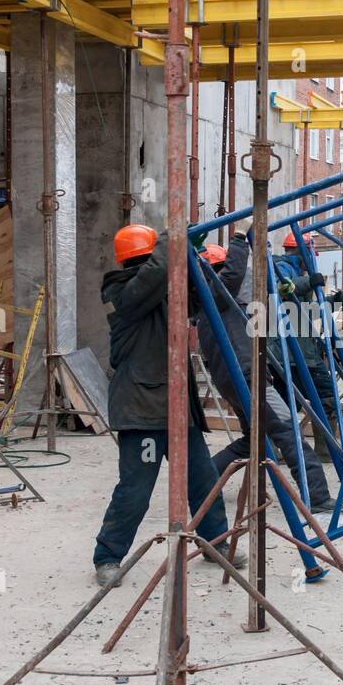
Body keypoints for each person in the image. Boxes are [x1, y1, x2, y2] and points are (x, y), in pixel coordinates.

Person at [93, 225, 243, 587]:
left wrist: (210, 257)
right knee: (135, 490)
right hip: (143, 411)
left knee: (203, 481)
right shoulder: (122, 290)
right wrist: (172, 236)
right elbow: (154, 275)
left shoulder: (165, 290)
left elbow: (216, 296)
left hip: (177, 408)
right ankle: (108, 556)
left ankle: (215, 543)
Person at [196, 230, 335, 511]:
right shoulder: (216, 297)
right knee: (289, 432)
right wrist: (239, 237)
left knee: (254, 440)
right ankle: (318, 497)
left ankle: (202, 479)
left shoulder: (214, 307)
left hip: (240, 378)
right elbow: (233, 275)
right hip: (247, 379)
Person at [272, 231, 343, 463]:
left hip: (291, 352)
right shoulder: (280, 267)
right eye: (310, 253)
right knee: (326, 395)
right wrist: (309, 281)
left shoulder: (293, 270)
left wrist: (335, 301)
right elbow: (282, 290)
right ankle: (325, 450)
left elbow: (304, 309)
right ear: (301, 252)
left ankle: (279, 450)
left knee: (283, 402)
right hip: (294, 353)